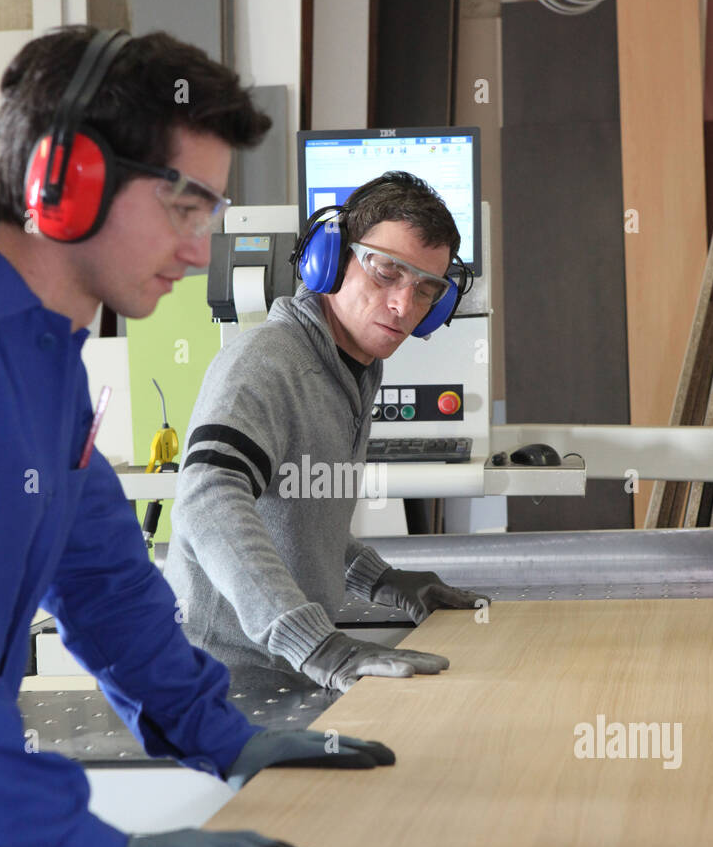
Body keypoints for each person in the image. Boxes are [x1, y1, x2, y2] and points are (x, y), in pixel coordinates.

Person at [0, 26, 394, 847]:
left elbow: (103, 582)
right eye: (185, 206)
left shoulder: (45, 358)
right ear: (68, 178)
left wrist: (228, 740)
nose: (201, 249)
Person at [164, 172, 489, 695]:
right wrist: (314, 643)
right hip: (217, 678)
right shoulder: (264, 362)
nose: (404, 307)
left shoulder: (352, 373)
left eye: (425, 290)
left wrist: (383, 580)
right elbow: (206, 501)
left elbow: (303, 511)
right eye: (386, 273)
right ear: (330, 260)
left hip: (283, 669)